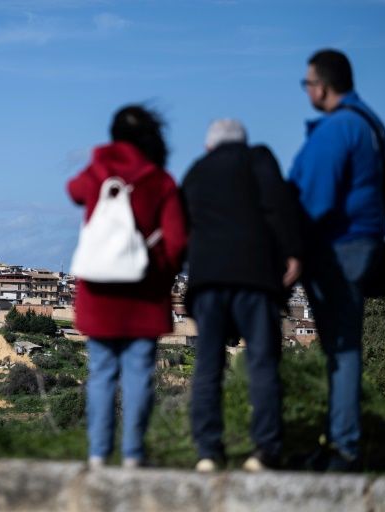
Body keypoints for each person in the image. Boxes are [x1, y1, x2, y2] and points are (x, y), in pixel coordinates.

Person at [67, 105, 187, 469]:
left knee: (102, 373)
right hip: (144, 294)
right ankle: (133, 454)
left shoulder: (98, 171)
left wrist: (100, 162)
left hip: (99, 293)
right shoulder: (160, 180)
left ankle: (98, 454)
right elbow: (178, 241)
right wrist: (161, 275)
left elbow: (73, 191)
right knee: (138, 375)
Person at [289, 49, 385, 472]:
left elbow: (312, 198)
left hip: (339, 249)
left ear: (323, 86)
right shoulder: (370, 124)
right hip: (361, 244)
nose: (307, 90)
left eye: (308, 83)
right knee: (341, 347)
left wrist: (291, 249)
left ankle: (343, 448)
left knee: (343, 349)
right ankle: (336, 442)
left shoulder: (338, 128)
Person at [181, 119, 302, 472]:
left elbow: (181, 225)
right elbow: (280, 206)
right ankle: (265, 450)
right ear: (243, 142)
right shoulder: (259, 159)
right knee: (262, 362)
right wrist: (293, 252)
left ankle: (207, 451)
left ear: (209, 146)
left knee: (208, 364)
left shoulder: (196, 171)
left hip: (208, 280)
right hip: (255, 276)